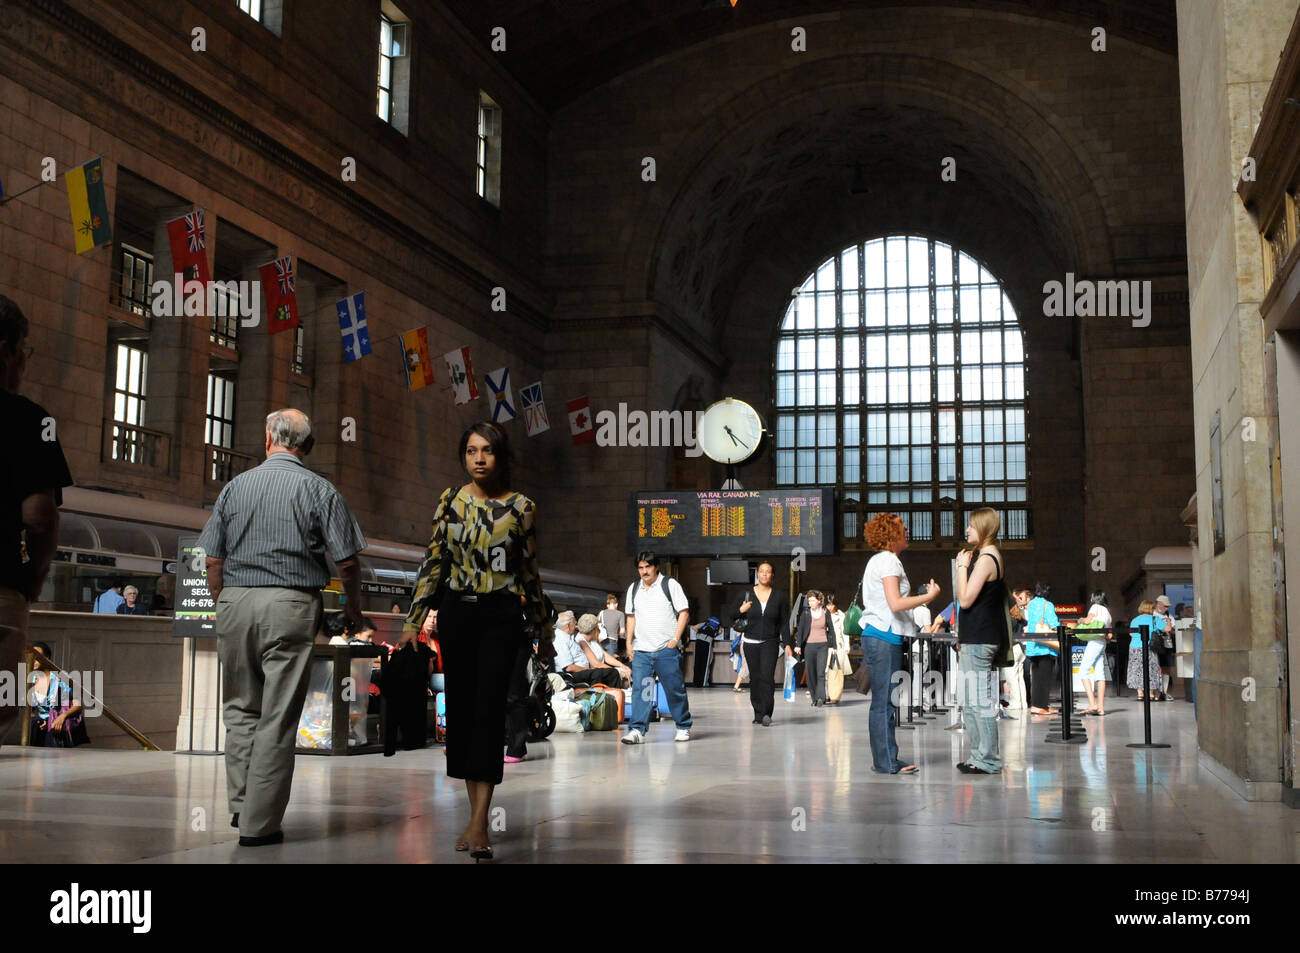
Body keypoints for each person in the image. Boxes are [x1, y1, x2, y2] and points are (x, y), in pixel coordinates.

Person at [198, 408, 367, 847]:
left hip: (236, 600)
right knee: (277, 715)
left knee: (239, 710)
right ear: (306, 447)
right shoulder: (319, 489)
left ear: (267, 438)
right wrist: (352, 608)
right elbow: (347, 561)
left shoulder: (234, 487)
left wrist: (223, 600)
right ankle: (259, 823)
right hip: (291, 602)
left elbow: (212, 559)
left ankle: (241, 806)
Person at [404, 421, 543, 860]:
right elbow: (433, 561)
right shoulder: (450, 501)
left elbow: (529, 571)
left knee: (487, 712)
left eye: (487, 451)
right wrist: (414, 619)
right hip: (457, 615)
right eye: (471, 451)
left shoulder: (522, 507)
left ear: (501, 457)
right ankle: (474, 816)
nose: (478, 458)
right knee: (463, 715)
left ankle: (481, 820)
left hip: (500, 616)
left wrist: (541, 625)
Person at [0, 295, 74, 751]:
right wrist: (35, 577)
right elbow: (39, 515)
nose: (26, 361)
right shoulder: (32, 421)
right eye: (26, 350)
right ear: (6, 350)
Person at [860, 513, 938, 775]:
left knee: (885, 701)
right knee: (885, 703)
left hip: (881, 636)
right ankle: (886, 762)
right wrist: (928, 596)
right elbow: (895, 604)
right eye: (904, 528)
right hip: (884, 638)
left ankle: (887, 758)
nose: (908, 531)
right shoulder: (889, 561)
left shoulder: (879, 560)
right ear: (893, 534)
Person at [953, 508, 1006, 775]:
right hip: (975, 637)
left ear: (983, 528)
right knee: (971, 700)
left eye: (971, 526)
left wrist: (961, 567)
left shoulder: (986, 558)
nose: (967, 531)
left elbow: (964, 600)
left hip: (980, 638)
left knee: (979, 701)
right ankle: (978, 755)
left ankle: (988, 759)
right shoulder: (986, 556)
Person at [621, 551, 693, 744]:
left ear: (656, 567)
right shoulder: (634, 588)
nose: (644, 572)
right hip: (642, 650)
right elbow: (631, 617)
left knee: (674, 689)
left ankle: (683, 726)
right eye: (641, 568)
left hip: (665, 649)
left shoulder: (669, 585)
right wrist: (629, 643)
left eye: (648, 567)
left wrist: (675, 640)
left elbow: (684, 612)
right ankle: (637, 730)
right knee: (641, 691)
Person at [730, 561, 791, 726]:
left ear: (773, 575)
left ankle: (766, 713)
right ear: (757, 574)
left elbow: (785, 622)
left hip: (770, 642)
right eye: (761, 571)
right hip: (749, 642)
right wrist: (741, 610)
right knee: (755, 678)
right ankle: (758, 713)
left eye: (768, 571)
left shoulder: (779, 596)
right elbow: (731, 614)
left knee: (767, 677)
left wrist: (787, 643)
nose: (764, 574)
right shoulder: (746, 594)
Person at [26, 642, 87, 747]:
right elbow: (32, 710)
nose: (33, 661)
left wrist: (62, 716)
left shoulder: (61, 677)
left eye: (37, 657)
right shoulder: (31, 679)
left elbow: (78, 705)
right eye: (31, 657)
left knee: (52, 759)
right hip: (40, 728)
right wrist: (39, 721)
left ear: (47, 658)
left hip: (57, 727)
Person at [552, 611, 627, 687]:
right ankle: (610, 694)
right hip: (570, 675)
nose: (576, 626)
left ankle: (610, 693)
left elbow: (604, 655)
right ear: (568, 625)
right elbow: (568, 667)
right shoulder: (561, 639)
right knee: (606, 673)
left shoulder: (568, 637)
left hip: (580, 671)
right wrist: (588, 670)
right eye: (575, 623)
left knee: (608, 672)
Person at [792, 590, 837, 706]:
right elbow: (800, 630)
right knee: (811, 674)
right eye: (809, 600)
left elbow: (831, 629)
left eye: (813, 600)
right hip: (809, 646)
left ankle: (821, 698)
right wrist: (798, 645)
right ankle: (814, 699)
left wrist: (834, 646)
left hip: (823, 645)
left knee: (821, 672)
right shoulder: (806, 613)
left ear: (819, 601)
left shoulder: (825, 612)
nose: (810, 603)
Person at [1023, 582, 1060, 715]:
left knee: (1036, 678)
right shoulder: (1047, 605)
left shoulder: (1031, 604)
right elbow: (1053, 623)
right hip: (1045, 647)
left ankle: (1037, 705)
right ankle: (1041, 706)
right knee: (1045, 678)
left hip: (1033, 645)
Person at [1077, 591, 1114, 715]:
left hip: (1094, 642)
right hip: (1102, 642)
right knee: (1100, 674)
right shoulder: (1107, 612)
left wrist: (1080, 620)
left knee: (1083, 671)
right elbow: (1109, 634)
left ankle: (1092, 704)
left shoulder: (1095, 607)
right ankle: (1100, 708)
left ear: (1094, 598)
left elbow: (1088, 621)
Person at [1126, 599, 1166, 701]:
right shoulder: (1155, 619)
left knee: (1137, 669)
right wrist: (1168, 621)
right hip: (1149, 647)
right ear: (1151, 608)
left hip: (1135, 647)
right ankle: (1151, 693)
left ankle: (1140, 693)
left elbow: (1131, 634)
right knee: (1151, 669)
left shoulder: (1135, 620)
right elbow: (1167, 629)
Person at [577, 612, 630, 683]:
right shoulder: (581, 641)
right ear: (593, 630)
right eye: (597, 627)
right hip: (595, 675)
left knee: (629, 666)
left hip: (602, 671)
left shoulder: (593, 640)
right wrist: (617, 671)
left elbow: (605, 655)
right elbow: (595, 664)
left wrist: (622, 666)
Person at [1153, 594, 1176, 700]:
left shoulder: (1168, 615)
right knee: (1155, 667)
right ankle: (1154, 691)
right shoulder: (1152, 614)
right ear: (1158, 604)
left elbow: (1172, 628)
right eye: (1165, 606)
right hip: (1155, 643)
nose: (1166, 608)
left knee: (1166, 667)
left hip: (1167, 643)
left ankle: (1164, 691)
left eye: (1167, 606)